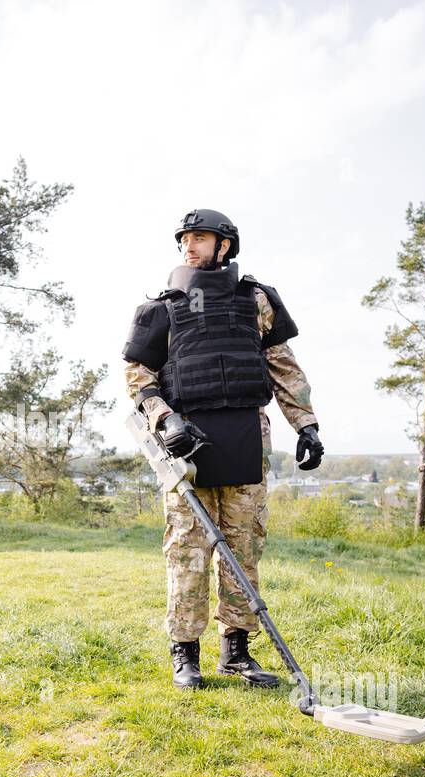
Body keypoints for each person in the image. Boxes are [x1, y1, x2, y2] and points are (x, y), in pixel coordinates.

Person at [122, 209, 324, 690]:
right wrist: (165, 420)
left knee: (243, 547)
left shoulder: (256, 301)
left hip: (246, 438)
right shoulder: (161, 308)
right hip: (184, 443)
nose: (188, 246)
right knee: (187, 551)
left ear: (225, 245)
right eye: (184, 239)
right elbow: (138, 375)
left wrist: (307, 425)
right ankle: (185, 655)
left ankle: (236, 652)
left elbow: (282, 367)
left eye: (199, 238)